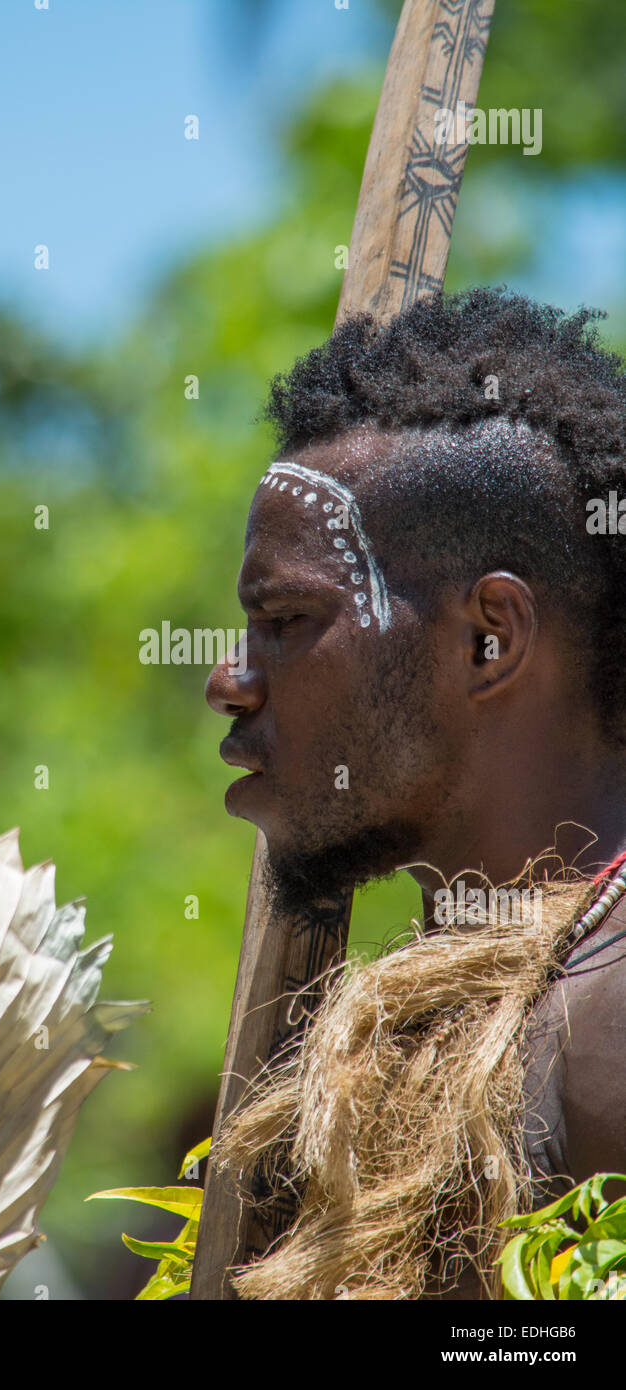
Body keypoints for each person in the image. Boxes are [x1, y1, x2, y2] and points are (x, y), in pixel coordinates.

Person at [204, 287, 626, 1299]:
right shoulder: (415, 1033)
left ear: (489, 637)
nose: (228, 680)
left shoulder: (605, 1018)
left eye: (287, 619)